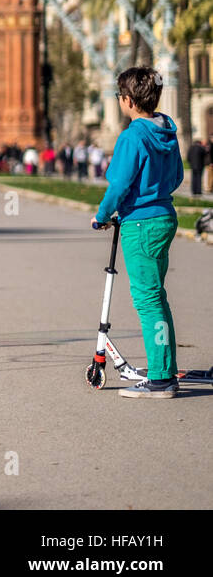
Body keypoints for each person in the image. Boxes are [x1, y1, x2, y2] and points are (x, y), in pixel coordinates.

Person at [91, 67, 185, 398]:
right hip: (164, 217)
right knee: (156, 296)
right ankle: (166, 368)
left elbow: (118, 184)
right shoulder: (167, 131)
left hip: (140, 224)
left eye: (119, 97)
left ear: (128, 100)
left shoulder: (132, 136)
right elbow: (176, 178)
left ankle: (161, 378)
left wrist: (102, 214)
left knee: (147, 299)